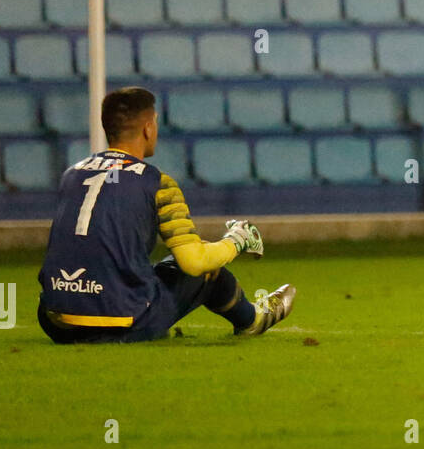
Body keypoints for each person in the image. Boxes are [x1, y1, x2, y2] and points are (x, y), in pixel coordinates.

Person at [38, 86, 295, 343]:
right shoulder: (157, 182)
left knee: (137, 268)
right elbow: (194, 262)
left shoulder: (71, 174)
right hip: (125, 324)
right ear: (148, 128)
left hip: (57, 322)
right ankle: (254, 319)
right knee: (205, 270)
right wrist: (236, 240)